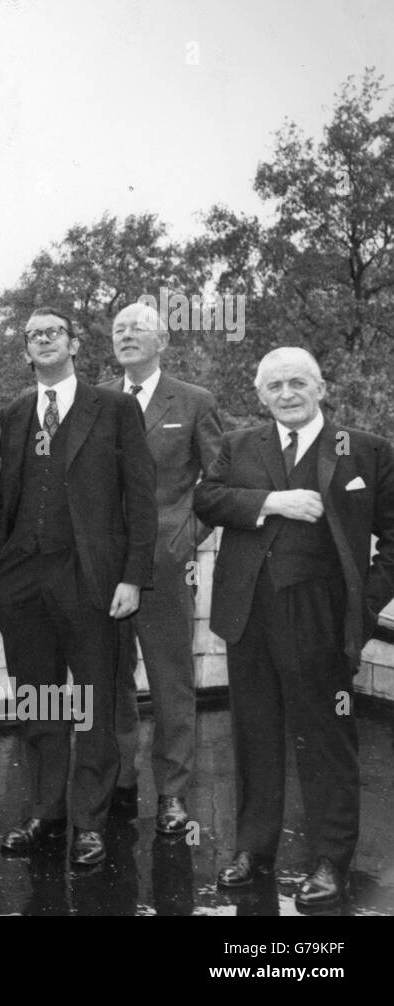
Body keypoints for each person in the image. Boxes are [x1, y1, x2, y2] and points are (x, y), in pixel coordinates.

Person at [194, 347, 394, 909]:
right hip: (250, 611)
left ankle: (332, 860)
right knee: (254, 733)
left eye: (298, 383)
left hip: (323, 616)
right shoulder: (239, 446)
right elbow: (206, 499)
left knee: (327, 737)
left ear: (321, 387)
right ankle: (252, 851)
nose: (287, 394)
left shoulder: (368, 452)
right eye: (275, 386)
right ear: (260, 395)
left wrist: (364, 604)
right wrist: (272, 501)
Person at [0, 307, 156, 867]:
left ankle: (89, 821)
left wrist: (133, 576)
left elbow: (140, 498)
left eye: (53, 333)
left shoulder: (113, 408)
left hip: (90, 579)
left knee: (92, 705)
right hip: (24, 579)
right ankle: (45, 812)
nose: (43, 341)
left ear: (74, 344)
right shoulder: (14, 412)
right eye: (33, 335)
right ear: (26, 350)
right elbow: (7, 493)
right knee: (38, 700)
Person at [102, 302, 223, 834]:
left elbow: (218, 484)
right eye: (119, 329)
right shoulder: (99, 401)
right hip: (104, 566)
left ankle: (173, 794)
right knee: (111, 680)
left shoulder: (194, 402)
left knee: (172, 682)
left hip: (166, 568)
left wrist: (182, 539)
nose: (127, 336)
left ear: (162, 341)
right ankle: (120, 781)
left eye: (138, 329)